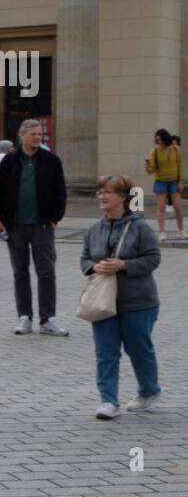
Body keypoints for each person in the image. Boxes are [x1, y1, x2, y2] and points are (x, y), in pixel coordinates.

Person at [81, 174, 162, 420]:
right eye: (100, 192)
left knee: (139, 349)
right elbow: (84, 258)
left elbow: (153, 258)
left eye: (109, 192)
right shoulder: (94, 229)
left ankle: (148, 392)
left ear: (124, 197)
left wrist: (124, 264)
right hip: (103, 301)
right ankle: (108, 401)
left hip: (138, 301)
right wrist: (94, 267)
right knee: (106, 352)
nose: (102, 197)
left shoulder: (140, 227)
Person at [0, 119, 69, 337]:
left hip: (42, 224)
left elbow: (60, 191)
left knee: (46, 271)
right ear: (22, 136)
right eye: (34, 134)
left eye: (40, 134)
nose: (38, 137)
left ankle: (48, 318)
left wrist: (55, 218)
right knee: (20, 272)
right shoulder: (9, 161)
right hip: (15, 225)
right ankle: (24, 317)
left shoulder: (51, 161)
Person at [145, 128, 184, 242]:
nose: (159, 142)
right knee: (161, 207)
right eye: (157, 140)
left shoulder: (175, 149)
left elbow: (180, 166)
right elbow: (151, 171)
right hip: (160, 181)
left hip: (174, 181)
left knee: (177, 207)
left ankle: (181, 231)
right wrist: (148, 167)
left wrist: (181, 181)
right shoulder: (155, 151)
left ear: (165, 139)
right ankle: (162, 232)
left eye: (160, 140)